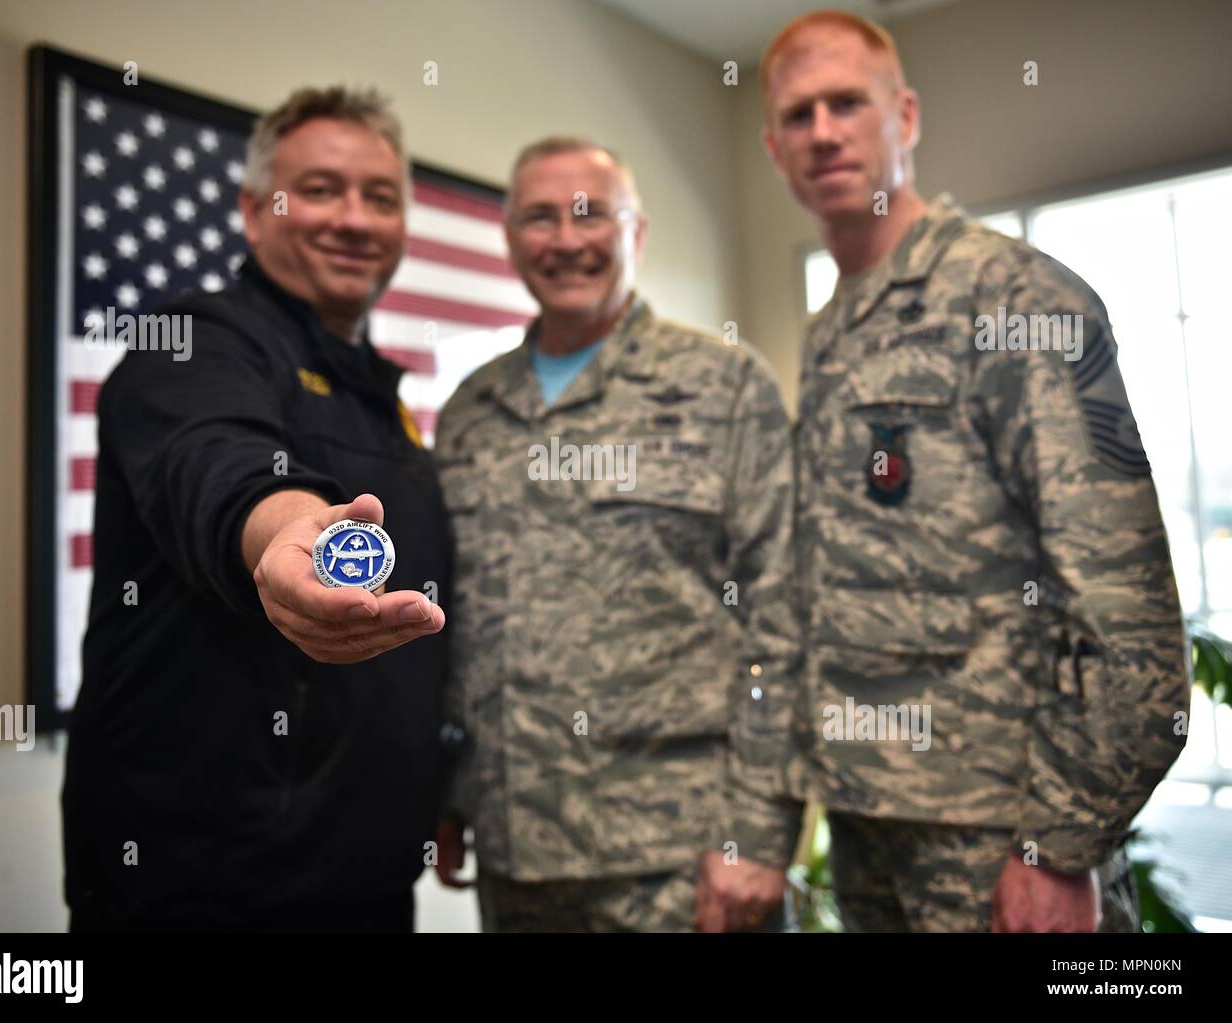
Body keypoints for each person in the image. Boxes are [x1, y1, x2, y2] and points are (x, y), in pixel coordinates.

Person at [760, 10, 1190, 932]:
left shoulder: (1013, 297)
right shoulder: (835, 330)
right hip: (872, 823)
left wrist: (1059, 841)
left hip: (1002, 840)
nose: (824, 131)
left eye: (848, 103)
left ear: (905, 116)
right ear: (773, 146)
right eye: (799, 115)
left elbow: (1128, 612)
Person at [62, 86, 449, 931]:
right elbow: (221, 462)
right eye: (319, 189)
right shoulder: (194, 342)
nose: (354, 218)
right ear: (253, 210)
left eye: (380, 197)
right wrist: (287, 533)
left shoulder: (385, 400)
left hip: (369, 882)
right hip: (203, 890)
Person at [432, 137, 802, 931]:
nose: (566, 240)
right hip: (515, 859)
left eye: (590, 213)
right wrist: (449, 787)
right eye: (539, 217)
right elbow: (458, 623)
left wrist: (758, 830)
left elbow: (788, 612)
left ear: (635, 233)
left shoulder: (722, 386)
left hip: (679, 862)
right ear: (509, 239)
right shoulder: (470, 411)